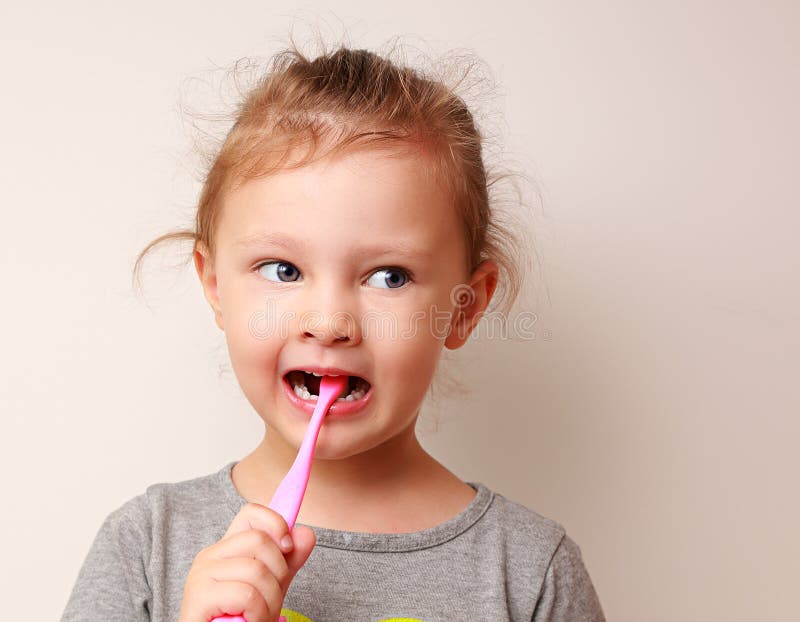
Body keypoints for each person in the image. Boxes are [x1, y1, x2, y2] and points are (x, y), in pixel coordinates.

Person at [60, 41, 605, 622]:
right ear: (215, 284)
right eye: (283, 270)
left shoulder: (529, 571)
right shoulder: (146, 547)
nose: (330, 322)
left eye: (389, 276)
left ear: (465, 307)